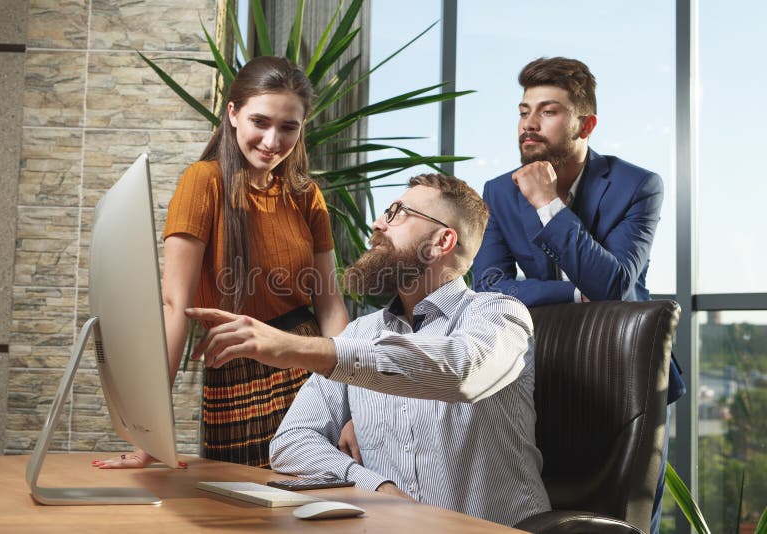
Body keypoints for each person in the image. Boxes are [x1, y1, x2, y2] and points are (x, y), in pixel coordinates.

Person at [185, 173, 551, 527]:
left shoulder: (499, 315)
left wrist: (294, 348)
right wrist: (373, 485)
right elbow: (291, 443)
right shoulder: (362, 331)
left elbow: (460, 372)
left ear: (443, 241)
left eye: (398, 214)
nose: (378, 223)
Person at [95, 56, 349, 469]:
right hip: (237, 381)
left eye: (289, 127)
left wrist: (348, 404)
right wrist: (149, 435)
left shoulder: (306, 195)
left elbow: (331, 306)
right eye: (260, 122)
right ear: (232, 114)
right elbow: (174, 305)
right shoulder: (204, 182)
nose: (272, 140)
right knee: (241, 513)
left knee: (315, 513)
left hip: (309, 376)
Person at [471, 56, 684, 534]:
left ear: (585, 123)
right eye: (524, 111)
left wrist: (548, 203)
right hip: (546, 369)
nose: (529, 124)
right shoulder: (499, 192)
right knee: (545, 513)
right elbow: (487, 287)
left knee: (624, 516)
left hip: (630, 370)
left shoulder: (637, 186)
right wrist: (570, 292)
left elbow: (612, 283)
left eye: (548, 111)